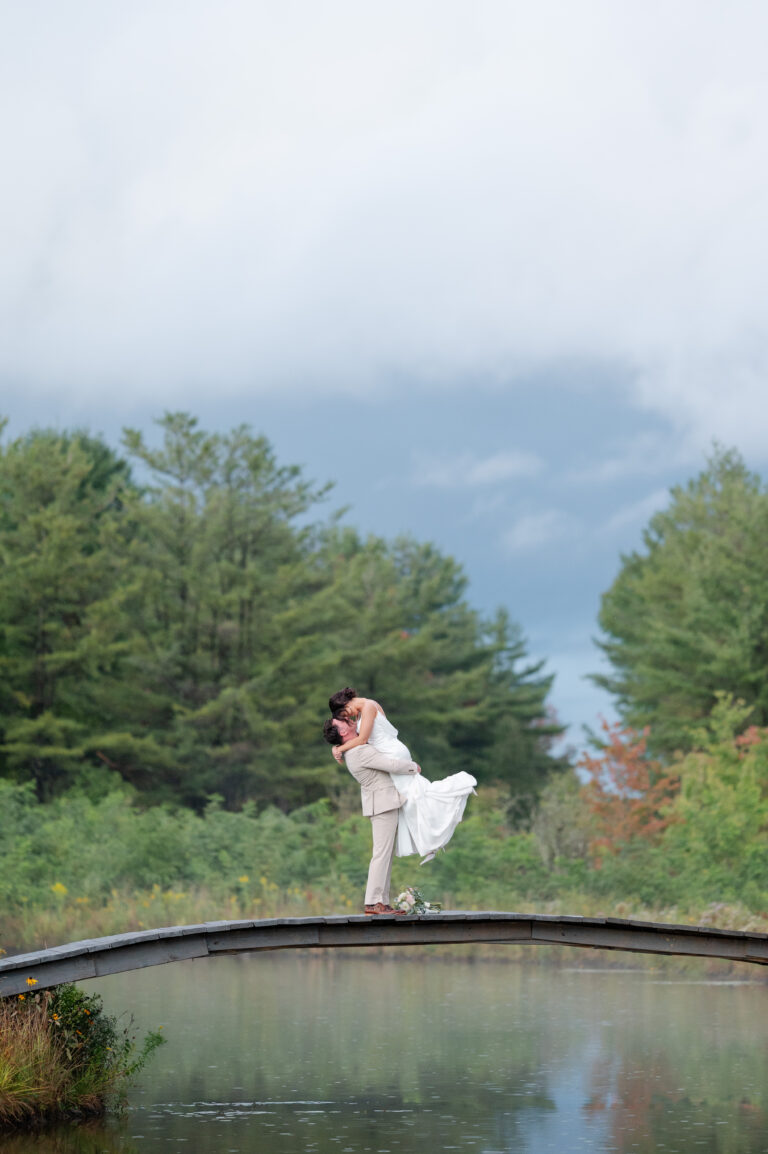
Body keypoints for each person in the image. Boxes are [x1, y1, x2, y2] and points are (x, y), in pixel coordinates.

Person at [327, 686, 477, 864]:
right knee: (414, 797)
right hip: (391, 751)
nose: (348, 717)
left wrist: (338, 749)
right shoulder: (363, 711)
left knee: (414, 797)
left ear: (345, 705)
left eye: (345, 713)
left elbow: (362, 740)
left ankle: (438, 828)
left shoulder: (367, 707)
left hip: (392, 755)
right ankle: (429, 841)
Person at [324, 714, 422, 915]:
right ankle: (374, 903)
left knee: (384, 855)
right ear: (343, 732)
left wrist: (337, 748)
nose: (347, 719)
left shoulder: (355, 748)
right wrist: (414, 767)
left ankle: (381, 903)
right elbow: (391, 765)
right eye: (342, 721)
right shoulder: (359, 751)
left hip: (382, 803)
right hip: (382, 804)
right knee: (381, 854)